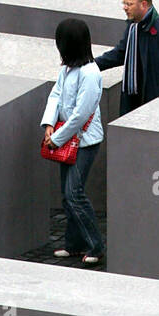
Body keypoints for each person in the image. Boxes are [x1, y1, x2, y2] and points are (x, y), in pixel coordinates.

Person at [41, 17, 105, 266]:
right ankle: (75, 243)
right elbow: (55, 95)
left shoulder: (90, 73)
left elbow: (81, 114)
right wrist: (49, 125)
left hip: (84, 142)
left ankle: (96, 245)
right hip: (68, 139)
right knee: (68, 195)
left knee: (74, 193)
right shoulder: (68, 69)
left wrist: (55, 138)